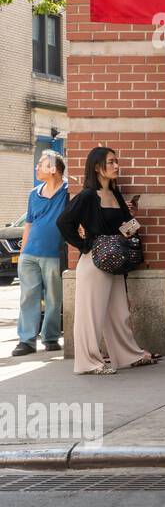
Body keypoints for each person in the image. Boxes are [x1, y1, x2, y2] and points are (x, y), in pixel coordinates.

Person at [56, 147, 158, 374]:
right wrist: (85, 246)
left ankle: (128, 356)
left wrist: (131, 217)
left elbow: (126, 231)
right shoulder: (87, 196)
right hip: (94, 263)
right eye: (111, 162)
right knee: (90, 316)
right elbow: (63, 222)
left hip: (115, 262)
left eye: (116, 161)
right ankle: (89, 363)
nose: (116, 166)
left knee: (119, 313)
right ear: (96, 167)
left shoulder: (116, 194)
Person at [14, 150, 68, 356]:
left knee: (54, 298)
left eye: (41, 164)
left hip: (54, 255)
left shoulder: (68, 192)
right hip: (29, 255)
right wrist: (22, 254)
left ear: (54, 169)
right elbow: (28, 225)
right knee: (28, 297)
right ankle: (26, 341)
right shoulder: (33, 194)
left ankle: (51, 337)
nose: (37, 167)